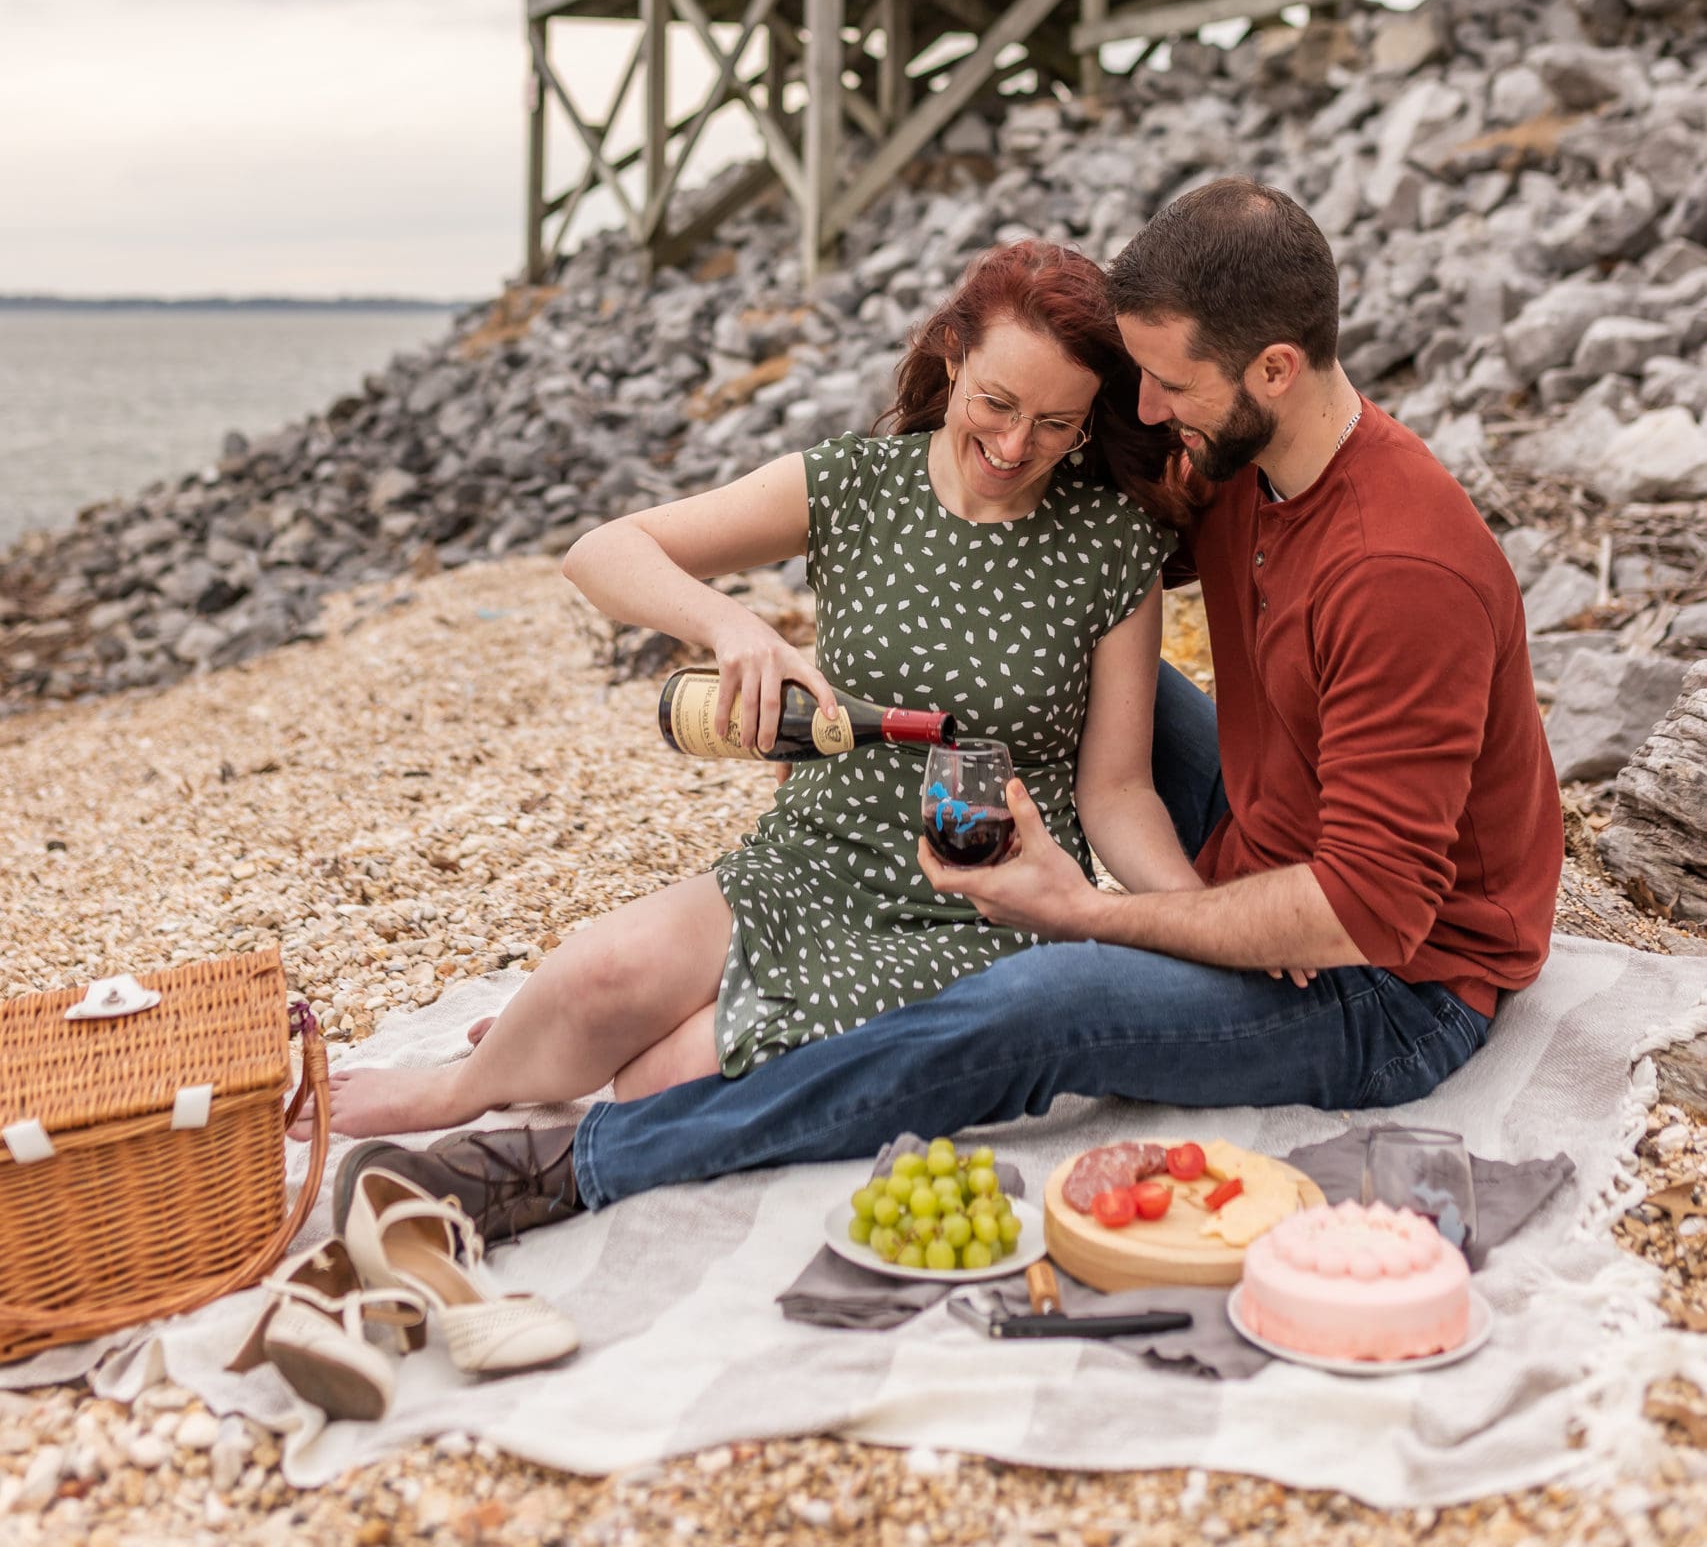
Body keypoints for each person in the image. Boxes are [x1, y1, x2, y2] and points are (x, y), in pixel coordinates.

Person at [334, 178, 1563, 1244]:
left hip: (1389, 983)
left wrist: (1092, 914)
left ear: (1274, 370)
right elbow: (1036, 541)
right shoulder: (1240, 467)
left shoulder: (1403, 572)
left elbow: (1365, 910)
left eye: (1169, 387)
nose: (1143, 420)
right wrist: (749, 628)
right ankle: (822, 965)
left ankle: (581, 1165)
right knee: (1075, 704)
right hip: (1279, 839)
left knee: (1052, 1002)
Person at [312, 239, 1189, 1143]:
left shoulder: (1112, 543)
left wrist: (1192, 919)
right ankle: (462, 1091)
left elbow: (1116, 791)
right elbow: (599, 553)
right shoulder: (854, 485)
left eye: (1055, 425)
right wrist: (734, 626)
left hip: (994, 908)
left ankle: (587, 1049)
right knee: (598, 976)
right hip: (809, 863)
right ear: (953, 354)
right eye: (996, 404)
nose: (1013, 446)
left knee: (662, 1082)